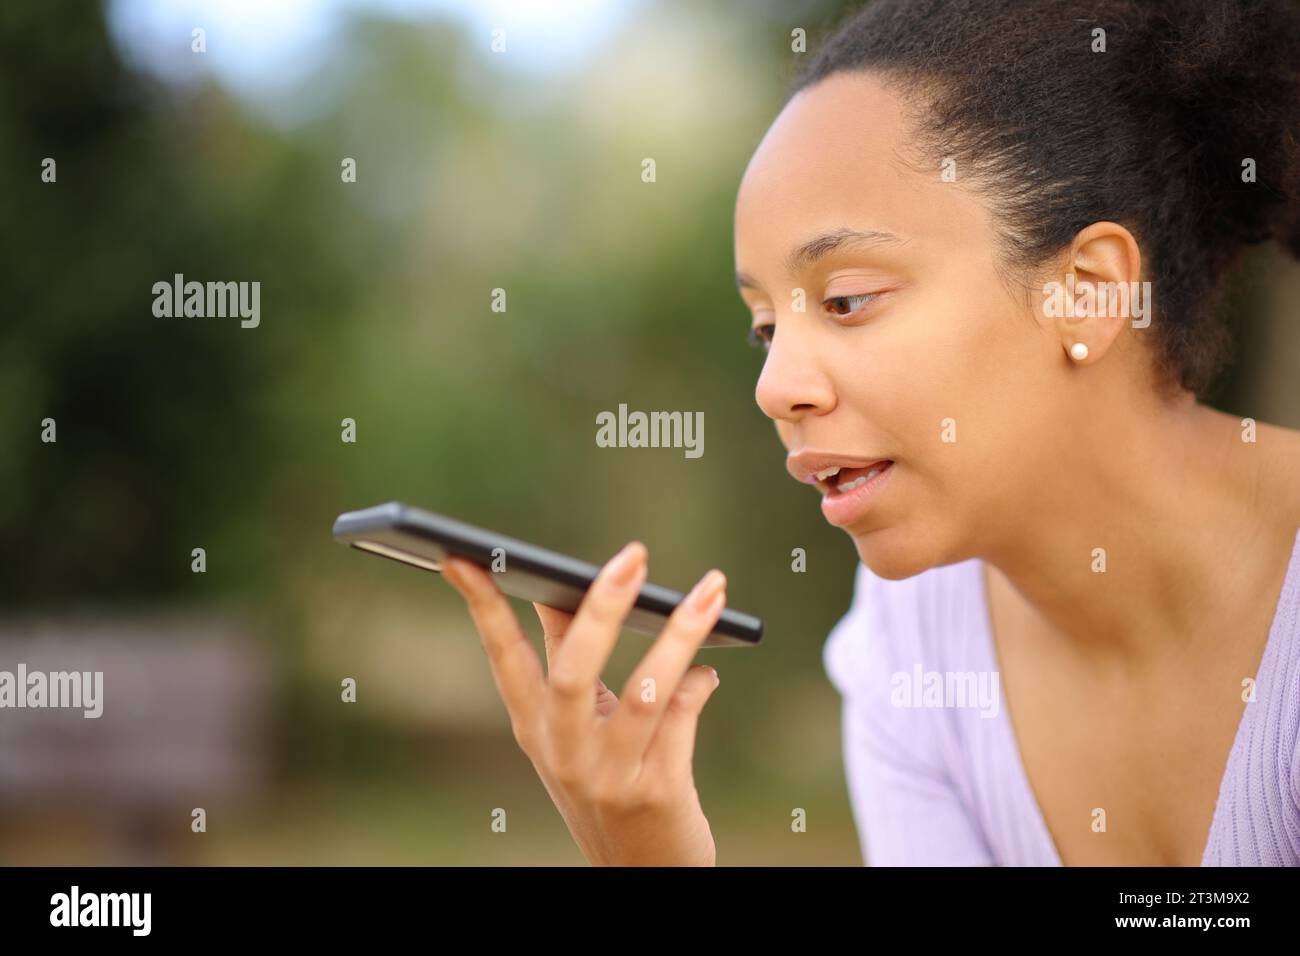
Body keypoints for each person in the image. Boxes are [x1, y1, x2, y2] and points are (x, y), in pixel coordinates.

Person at [440, 0, 1300, 866]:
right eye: (766, 329)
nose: (776, 389)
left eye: (848, 300)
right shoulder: (910, 639)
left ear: (1088, 291)